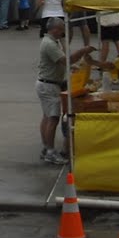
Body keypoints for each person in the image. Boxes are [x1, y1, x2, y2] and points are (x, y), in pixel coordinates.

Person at [37, 18, 94, 164]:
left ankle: (46, 147)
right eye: (62, 29)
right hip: (48, 85)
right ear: (55, 29)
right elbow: (66, 60)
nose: (64, 32)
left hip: (49, 83)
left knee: (47, 116)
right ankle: (50, 151)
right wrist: (82, 51)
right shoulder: (49, 44)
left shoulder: (52, 42)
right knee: (53, 118)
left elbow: (61, 63)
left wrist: (71, 68)